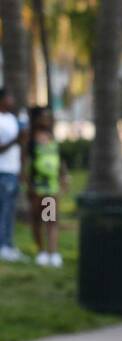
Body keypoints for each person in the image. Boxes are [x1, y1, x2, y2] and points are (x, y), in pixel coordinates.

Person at [27, 108, 67, 268]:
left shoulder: (53, 139)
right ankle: (41, 251)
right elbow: (26, 162)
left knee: (50, 219)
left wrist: (64, 176)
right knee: (37, 219)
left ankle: (53, 252)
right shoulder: (31, 140)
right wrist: (28, 184)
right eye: (43, 117)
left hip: (50, 187)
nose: (46, 120)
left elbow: (60, 160)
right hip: (37, 186)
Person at [0, 87, 26, 262]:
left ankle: (7, 244)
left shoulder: (12, 119)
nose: (13, 101)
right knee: (4, 210)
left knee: (9, 211)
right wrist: (16, 140)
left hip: (13, 171)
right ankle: (4, 246)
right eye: (9, 97)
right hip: (2, 171)